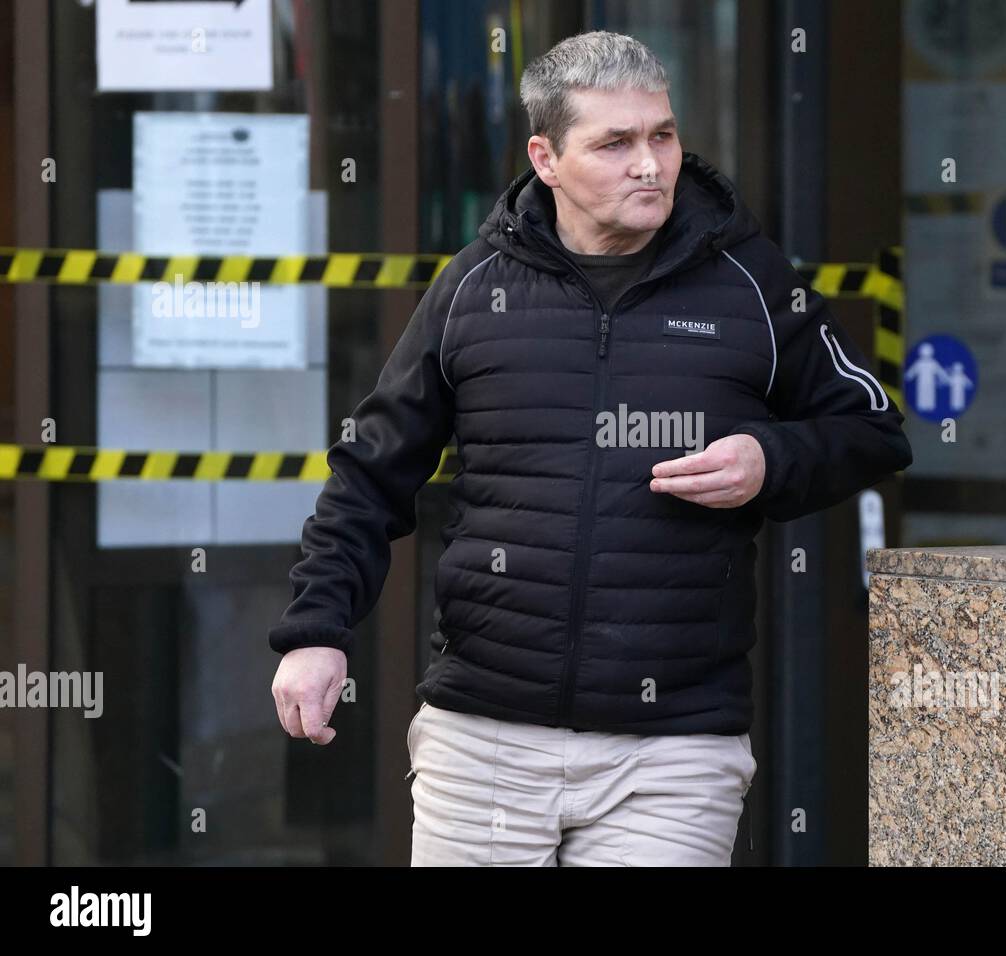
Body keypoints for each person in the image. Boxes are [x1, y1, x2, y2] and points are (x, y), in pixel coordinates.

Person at [269, 30, 912, 866]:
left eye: (662, 135)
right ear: (546, 157)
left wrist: (769, 460)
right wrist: (316, 631)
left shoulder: (752, 281)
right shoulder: (472, 287)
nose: (649, 164)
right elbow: (368, 476)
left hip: (673, 752)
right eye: (615, 143)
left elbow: (871, 430)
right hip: (483, 744)